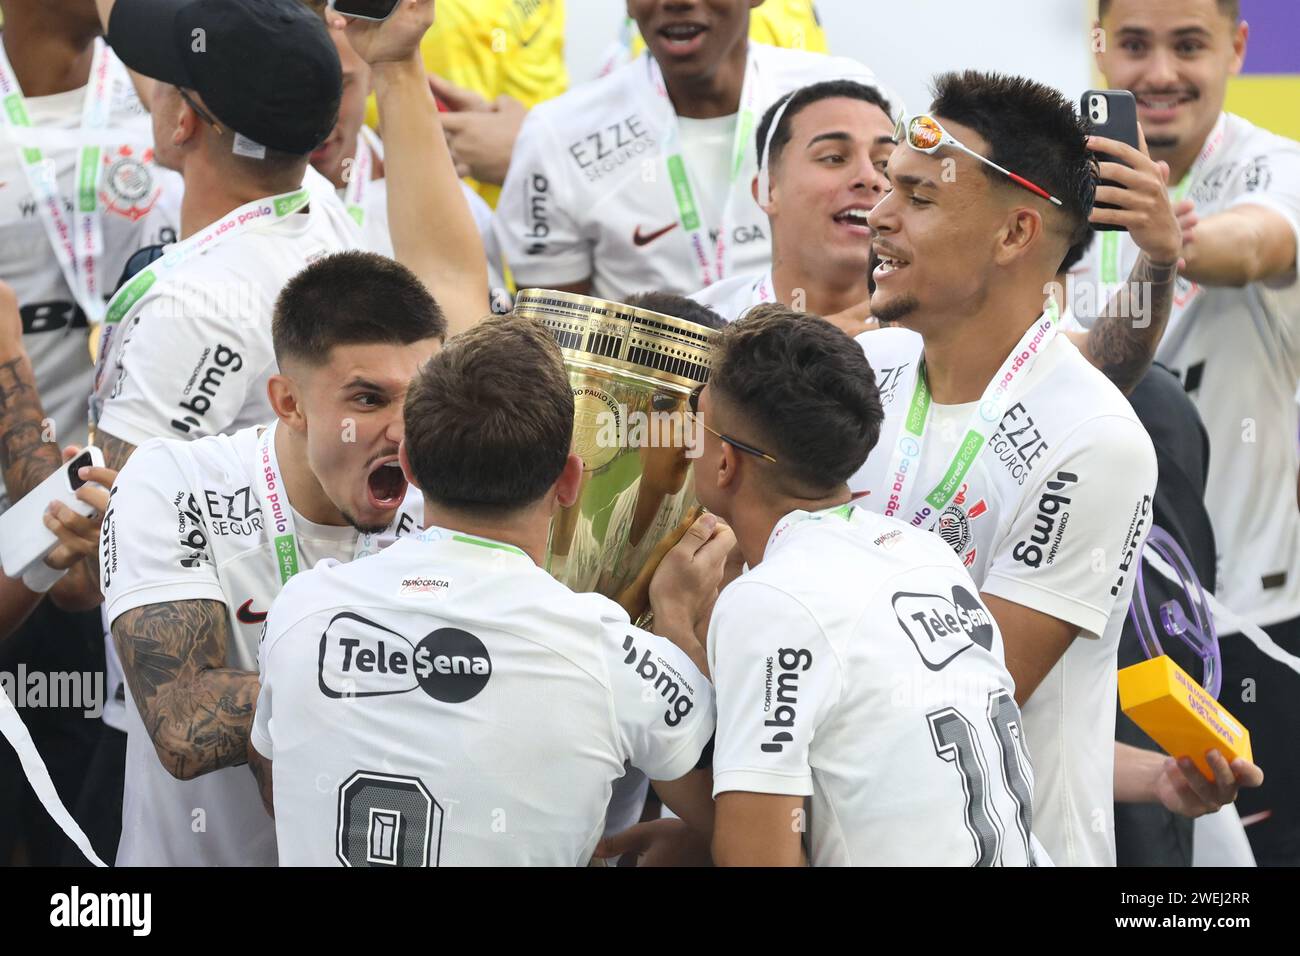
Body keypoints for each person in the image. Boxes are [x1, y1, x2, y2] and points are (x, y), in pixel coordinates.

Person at [250, 316, 729, 866]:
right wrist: (675, 616)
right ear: (571, 481)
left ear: (408, 465)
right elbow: (751, 826)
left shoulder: (302, 607)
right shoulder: (611, 655)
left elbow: (273, 780)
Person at [853, 69, 1178, 866]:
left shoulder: (1096, 438)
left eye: (919, 198)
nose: (879, 215)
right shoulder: (865, 366)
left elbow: (970, 699)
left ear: (1014, 235)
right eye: (890, 186)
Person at [100, 252, 438, 866]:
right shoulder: (175, 482)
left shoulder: (445, 500)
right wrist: (417, 685)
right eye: (368, 400)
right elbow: (180, 721)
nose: (403, 432)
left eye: (420, 400)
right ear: (289, 402)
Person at [677, 304, 1035, 866]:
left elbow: (757, 859)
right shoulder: (926, 552)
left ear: (725, 463)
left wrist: (674, 623)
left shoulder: (773, 599)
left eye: (695, 420)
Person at [1078, 0, 1300, 866]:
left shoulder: (1272, 165)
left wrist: (1169, 243)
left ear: (1238, 48)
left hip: (1255, 624)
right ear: (1100, 49)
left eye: (1189, 45)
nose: (1161, 73)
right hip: (1093, 639)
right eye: (1134, 44)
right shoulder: (1053, 183)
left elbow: (1257, 247)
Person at [87, 0, 487, 479]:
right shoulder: (311, 200)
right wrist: (396, 60)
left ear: (183, 122)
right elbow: (447, 275)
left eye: (166, 81)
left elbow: (110, 526)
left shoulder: (192, 307)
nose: (152, 89)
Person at [493, 0, 878, 302]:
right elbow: (557, 343)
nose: (678, 1)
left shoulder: (844, 94)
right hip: (648, 401)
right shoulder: (557, 134)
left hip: (824, 388)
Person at [300, 0, 507, 302]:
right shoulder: (226, 211)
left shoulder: (455, 204)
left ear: (370, 76)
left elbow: (484, 325)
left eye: (339, 85)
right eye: (300, 86)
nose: (319, 114)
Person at [690, 79, 895, 332]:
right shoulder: (695, 330)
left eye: (884, 164)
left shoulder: (932, 336)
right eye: (834, 157)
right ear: (768, 191)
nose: (869, 178)